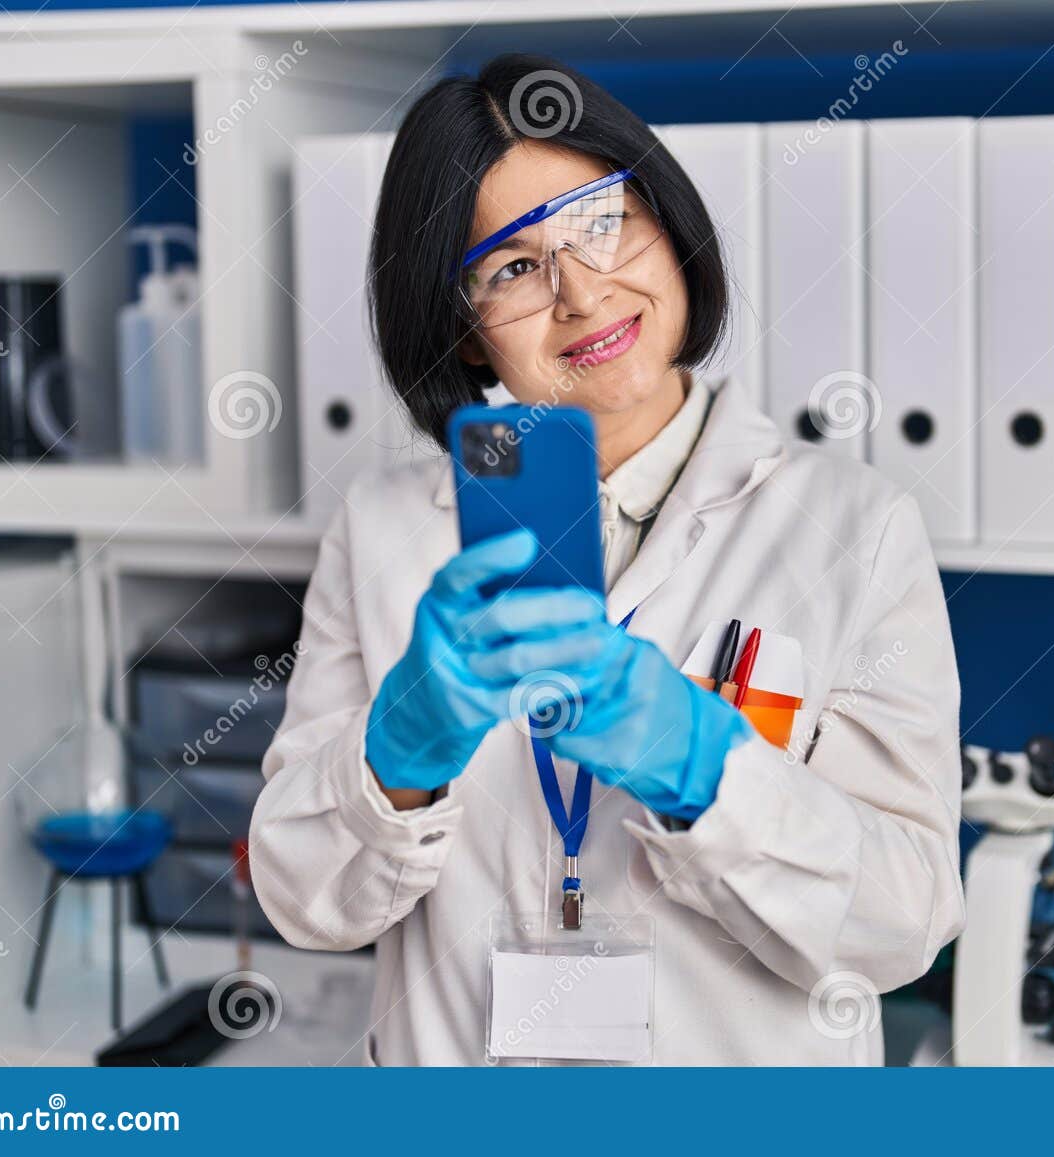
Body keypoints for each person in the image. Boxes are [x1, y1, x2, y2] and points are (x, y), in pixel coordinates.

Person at [249, 53, 965, 1066]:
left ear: (666, 227)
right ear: (460, 329)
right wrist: (393, 759)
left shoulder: (854, 527)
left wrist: (703, 765)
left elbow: (908, 918)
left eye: (602, 221)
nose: (583, 294)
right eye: (512, 267)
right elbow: (300, 899)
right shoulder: (384, 528)